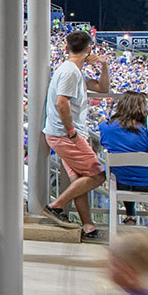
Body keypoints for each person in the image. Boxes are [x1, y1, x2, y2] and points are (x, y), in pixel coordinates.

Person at [42, 29, 111, 239]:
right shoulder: (70, 72)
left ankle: (88, 226)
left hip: (62, 133)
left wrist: (104, 66)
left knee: (80, 179)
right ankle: (55, 206)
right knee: (98, 174)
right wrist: (72, 132)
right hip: (65, 134)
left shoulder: (75, 71)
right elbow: (61, 102)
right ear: (90, 49)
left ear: (66, 48)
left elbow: (103, 87)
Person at [98, 91, 148, 223]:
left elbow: (103, 142)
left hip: (120, 182)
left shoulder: (105, 128)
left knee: (126, 170)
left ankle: (130, 215)